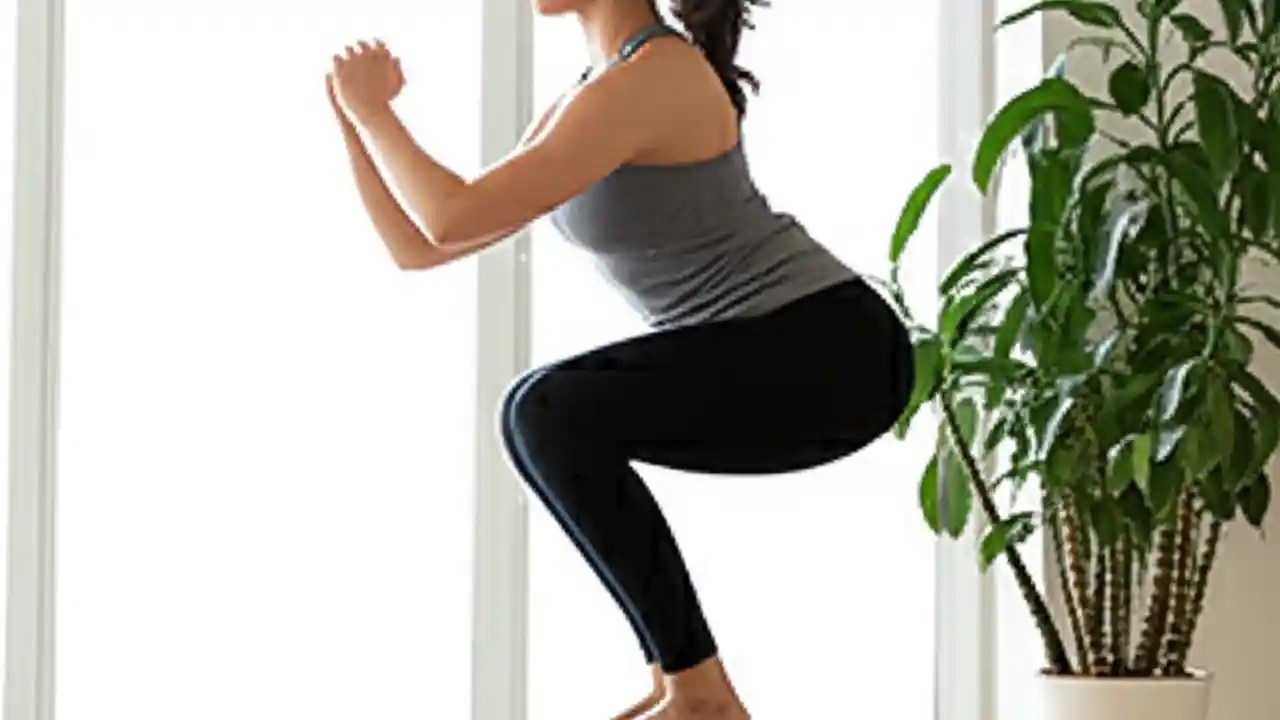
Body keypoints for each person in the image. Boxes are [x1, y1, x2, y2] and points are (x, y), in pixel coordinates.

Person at [327, 1, 914, 717]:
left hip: (826, 350)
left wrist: (375, 114)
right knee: (536, 412)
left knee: (547, 411)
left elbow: (450, 214)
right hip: (780, 348)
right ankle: (688, 685)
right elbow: (421, 246)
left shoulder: (654, 76)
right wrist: (355, 118)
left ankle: (699, 691)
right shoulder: (589, 93)